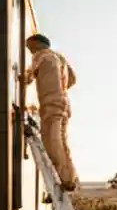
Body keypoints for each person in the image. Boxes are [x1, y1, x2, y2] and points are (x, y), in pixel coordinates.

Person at [23, 33, 79, 192]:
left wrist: (20, 78)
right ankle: (70, 178)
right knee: (62, 143)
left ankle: (63, 179)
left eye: (30, 47)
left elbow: (27, 77)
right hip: (64, 103)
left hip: (50, 103)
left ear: (37, 44)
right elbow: (73, 79)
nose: (30, 51)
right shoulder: (60, 58)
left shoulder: (41, 55)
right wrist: (58, 83)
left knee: (51, 142)